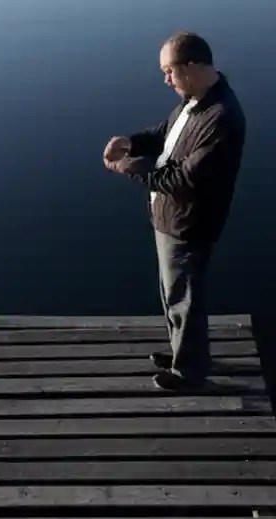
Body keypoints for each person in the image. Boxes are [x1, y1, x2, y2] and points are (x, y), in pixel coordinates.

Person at [104, 31, 246, 391]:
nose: (166, 80)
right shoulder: (193, 100)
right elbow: (166, 134)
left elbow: (182, 178)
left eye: (170, 71)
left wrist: (130, 167)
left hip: (188, 225)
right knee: (174, 293)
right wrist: (132, 141)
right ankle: (183, 352)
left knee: (185, 298)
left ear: (193, 66)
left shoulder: (222, 118)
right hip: (168, 218)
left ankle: (190, 373)